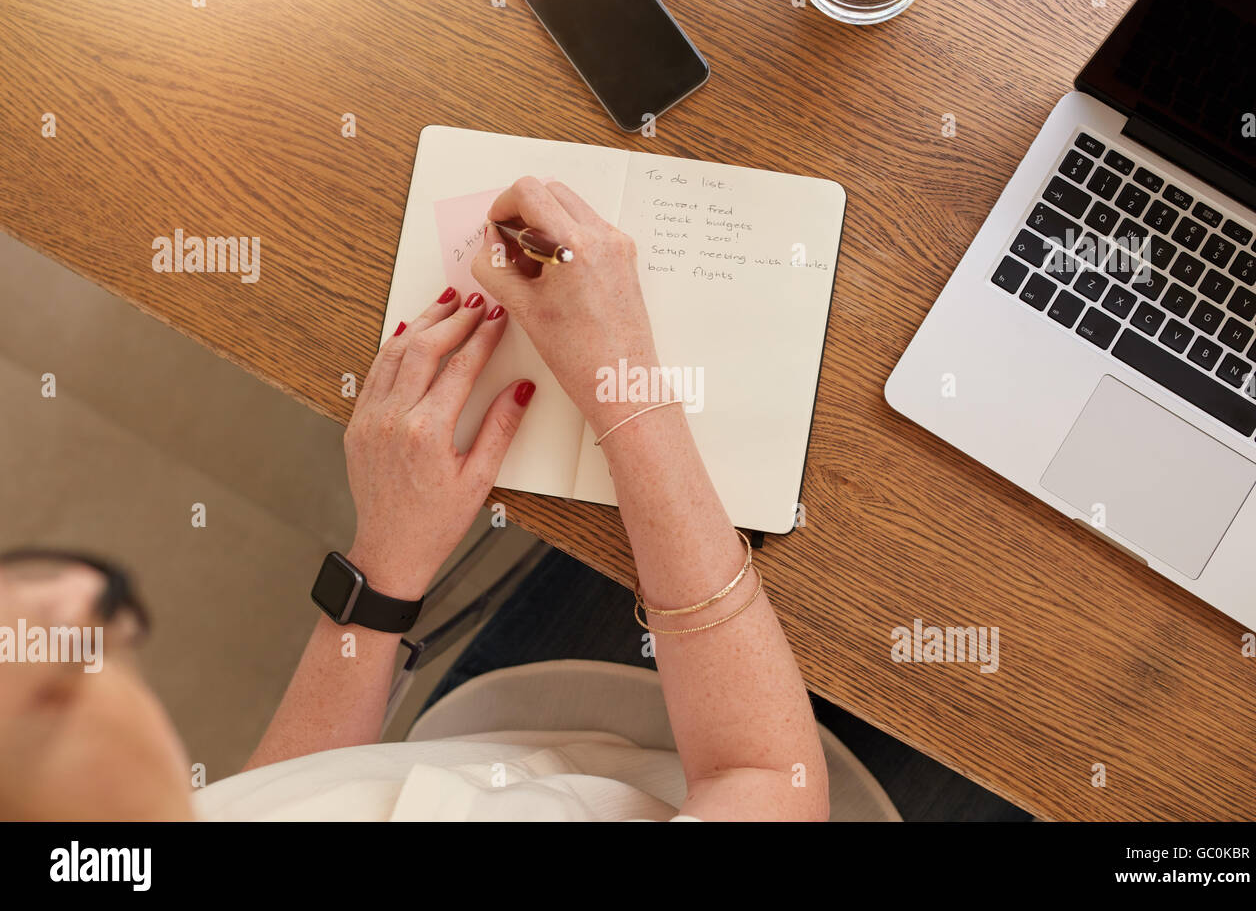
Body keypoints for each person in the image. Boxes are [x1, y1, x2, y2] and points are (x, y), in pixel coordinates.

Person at [0, 178, 834, 821]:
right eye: (59, 684)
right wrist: (626, 389)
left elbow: (286, 799)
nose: (73, 589)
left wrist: (382, 573)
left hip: (532, 728)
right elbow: (767, 784)